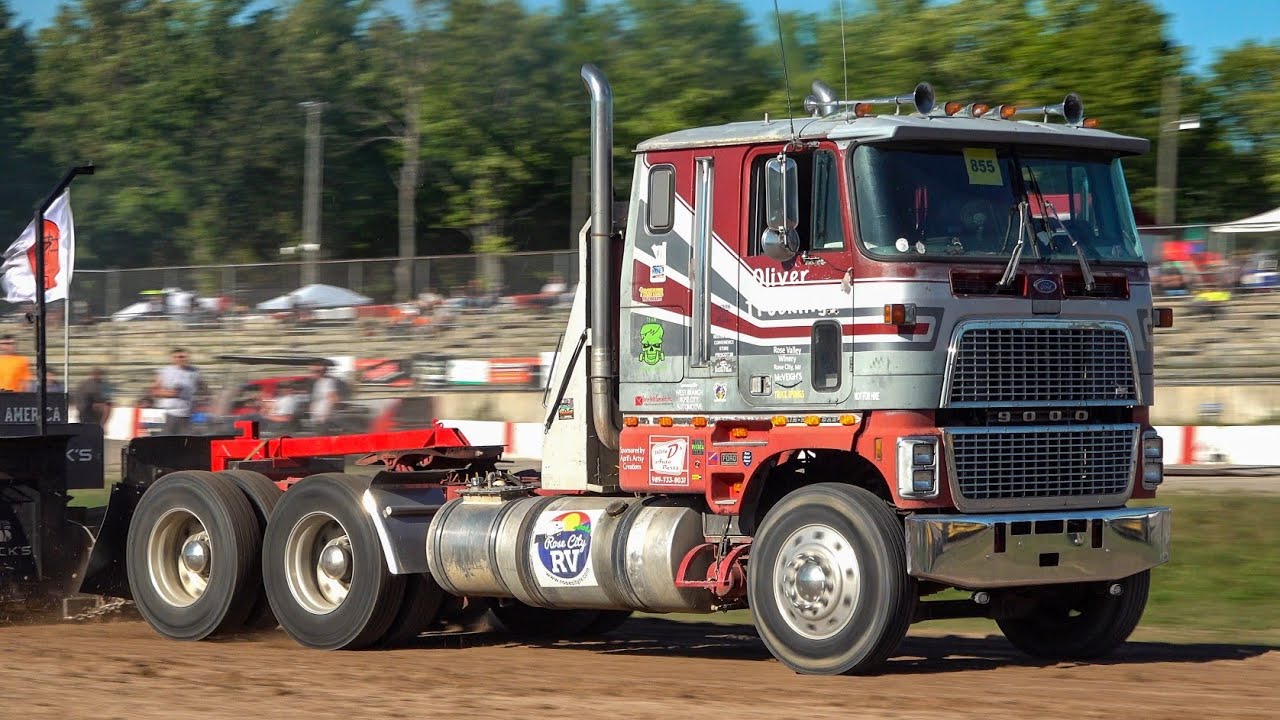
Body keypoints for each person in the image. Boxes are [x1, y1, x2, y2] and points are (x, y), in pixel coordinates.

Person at [152, 348, 202, 435]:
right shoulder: (165, 371)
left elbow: (202, 387)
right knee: (168, 439)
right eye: (178, 357)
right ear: (172, 358)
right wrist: (169, 394)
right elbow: (154, 390)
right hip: (171, 413)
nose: (181, 359)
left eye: (183, 357)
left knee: (186, 440)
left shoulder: (194, 371)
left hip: (187, 413)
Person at [308, 363, 340, 433]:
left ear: (321, 372)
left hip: (323, 418)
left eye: (314, 372)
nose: (311, 374)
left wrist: (326, 415)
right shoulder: (317, 383)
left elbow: (333, 398)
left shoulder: (327, 382)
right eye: (311, 371)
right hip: (317, 417)